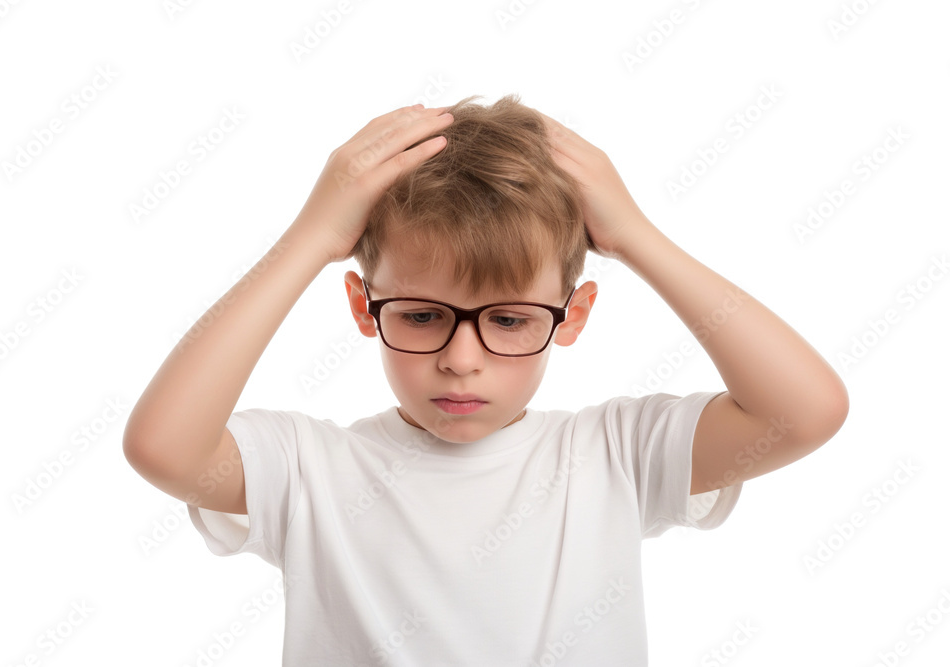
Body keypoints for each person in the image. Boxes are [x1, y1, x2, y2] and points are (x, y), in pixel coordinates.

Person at [123, 94, 849, 665]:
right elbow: (164, 447)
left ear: (572, 315)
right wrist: (310, 237)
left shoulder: (616, 453)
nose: (461, 359)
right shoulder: (309, 469)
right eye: (421, 314)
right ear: (362, 305)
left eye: (508, 320)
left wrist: (634, 234)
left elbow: (806, 409)